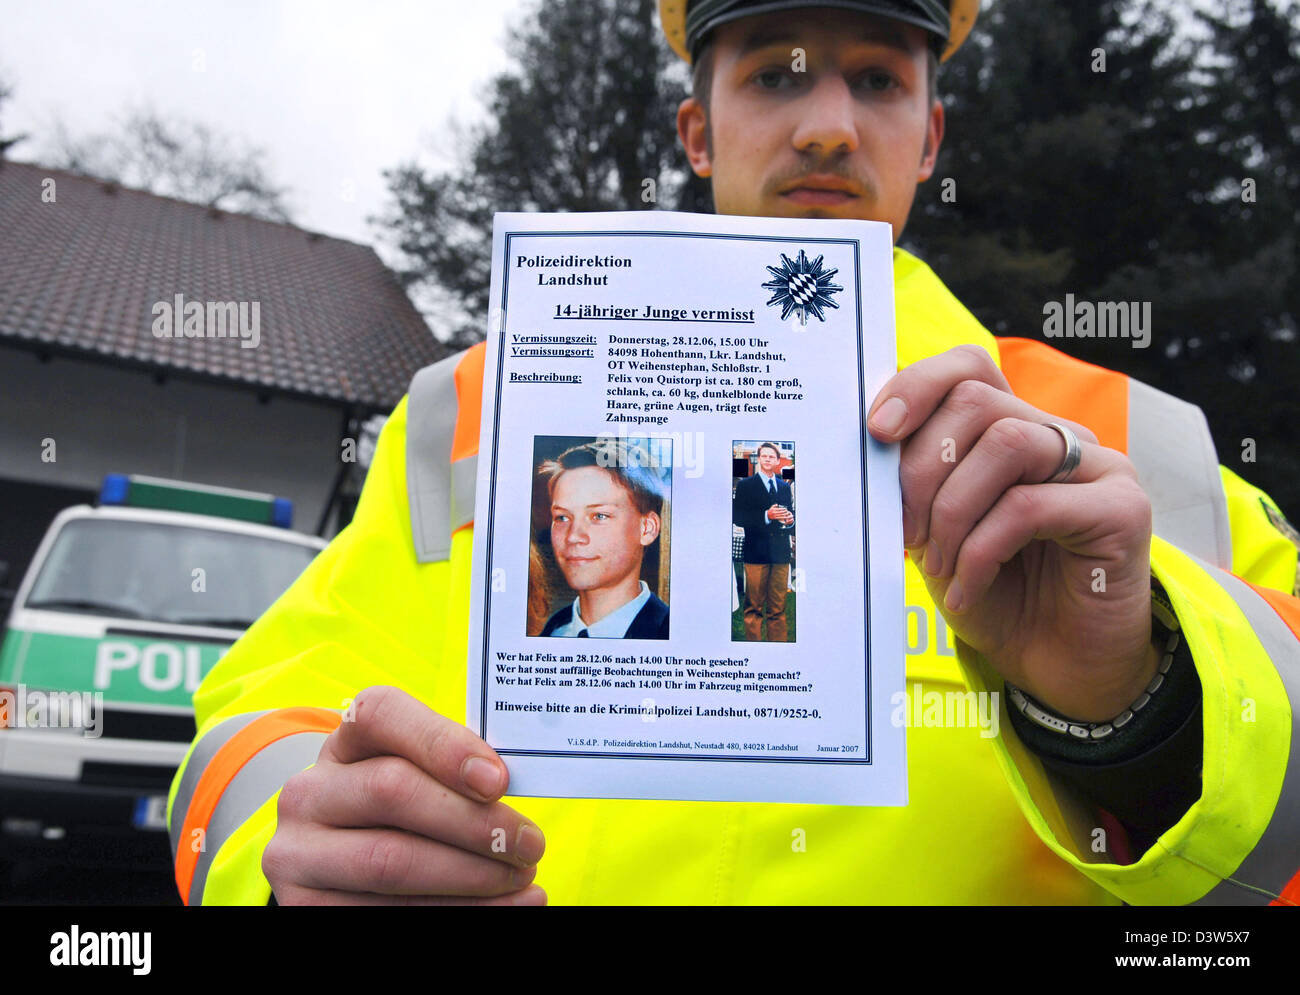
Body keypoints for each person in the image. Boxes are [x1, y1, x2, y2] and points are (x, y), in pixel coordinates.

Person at [167, 0, 1300, 906]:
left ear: (929, 135)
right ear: (696, 132)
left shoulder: (1124, 440)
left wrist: (1130, 710)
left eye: (875, 79)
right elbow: (254, 727)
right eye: (774, 74)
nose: (826, 127)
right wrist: (301, 852)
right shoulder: (471, 407)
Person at [536, 439, 670, 639]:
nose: (573, 537)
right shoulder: (552, 631)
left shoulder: (668, 633)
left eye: (599, 516)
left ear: (647, 529)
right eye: (562, 517)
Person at [733, 442, 795, 641]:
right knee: (754, 607)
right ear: (759, 459)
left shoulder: (785, 487)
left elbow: (790, 516)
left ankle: (779, 650)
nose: (768, 459)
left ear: (778, 461)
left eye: (772, 456)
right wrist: (766, 515)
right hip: (756, 553)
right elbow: (738, 517)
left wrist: (790, 520)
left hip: (780, 554)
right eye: (764, 456)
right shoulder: (745, 485)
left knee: (778, 608)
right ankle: (754, 650)